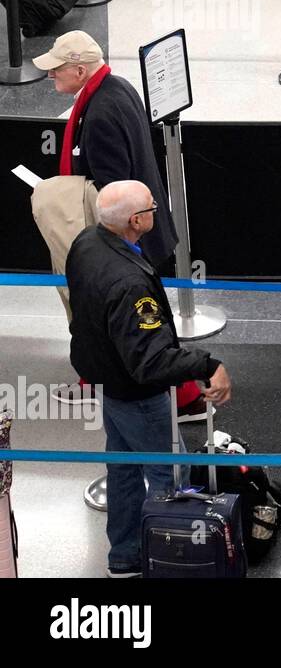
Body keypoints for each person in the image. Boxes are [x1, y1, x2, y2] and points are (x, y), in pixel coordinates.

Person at [31, 31, 204, 417]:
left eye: (56, 69)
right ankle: (161, 390)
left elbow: (114, 192)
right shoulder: (116, 88)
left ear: (79, 69)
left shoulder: (102, 113)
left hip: (125, 243)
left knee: (137, 326)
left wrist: (110, 255)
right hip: (141, 235)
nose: (50, 76)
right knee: (139, 323)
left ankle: (183, 397)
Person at [66, 180, 232, 577]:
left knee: (123, 470)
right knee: (170, 473)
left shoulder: (86, 242)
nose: (157, 213)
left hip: (108, 381)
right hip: (137, 393)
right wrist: (207, 364)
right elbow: (150, 361)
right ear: (136, 221)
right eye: (152, 208)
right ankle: (170, 559)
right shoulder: (130, 283)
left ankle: (125, 556)